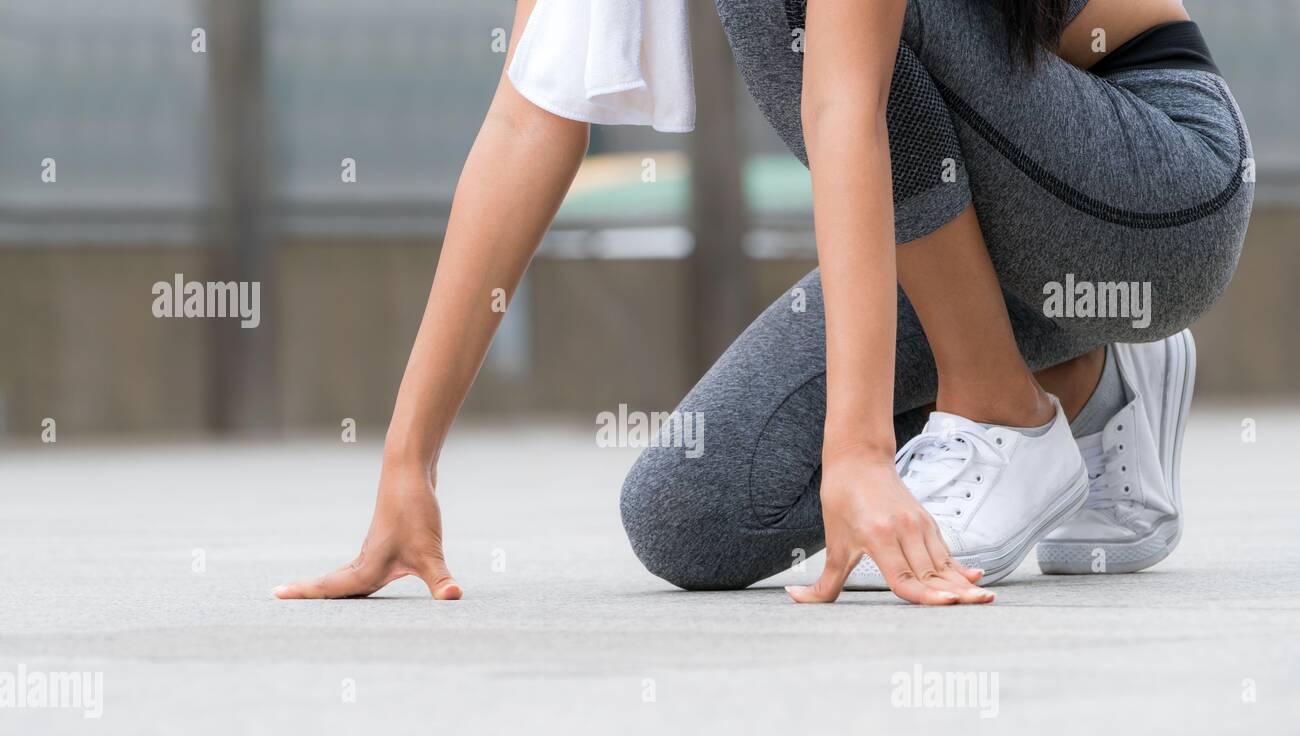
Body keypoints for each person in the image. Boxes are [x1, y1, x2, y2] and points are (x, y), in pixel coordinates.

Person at [276, 0, 1252, 606]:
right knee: (686, 515)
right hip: (991, 237)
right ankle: (1089, 375)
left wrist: (860, 451)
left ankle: (997, 399)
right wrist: (408, 465)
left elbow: (845, 101)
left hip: (1154, 189)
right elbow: (527, 115)